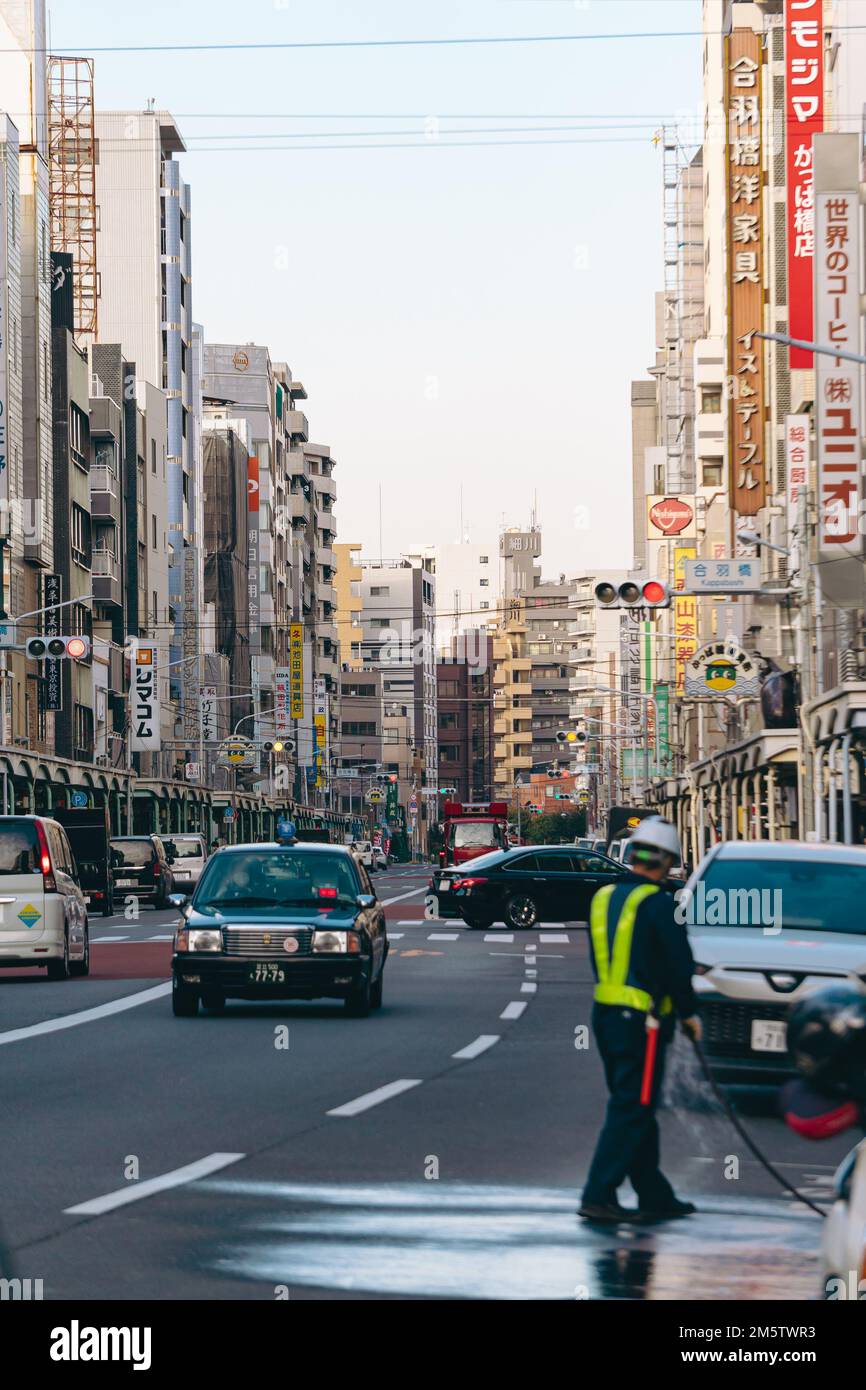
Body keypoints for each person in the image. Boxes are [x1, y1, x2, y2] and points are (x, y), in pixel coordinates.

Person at [579, 817, 702, 1224]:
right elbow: (676, 966)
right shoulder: (660, 904)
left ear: (632, 855)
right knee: (632, 1107)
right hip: (644, 1023)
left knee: (637, 1102)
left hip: (605, 1013)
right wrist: (688, 1013)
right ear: (667, 861)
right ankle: (598, 1193)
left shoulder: (603, 897)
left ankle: (652, 1192)